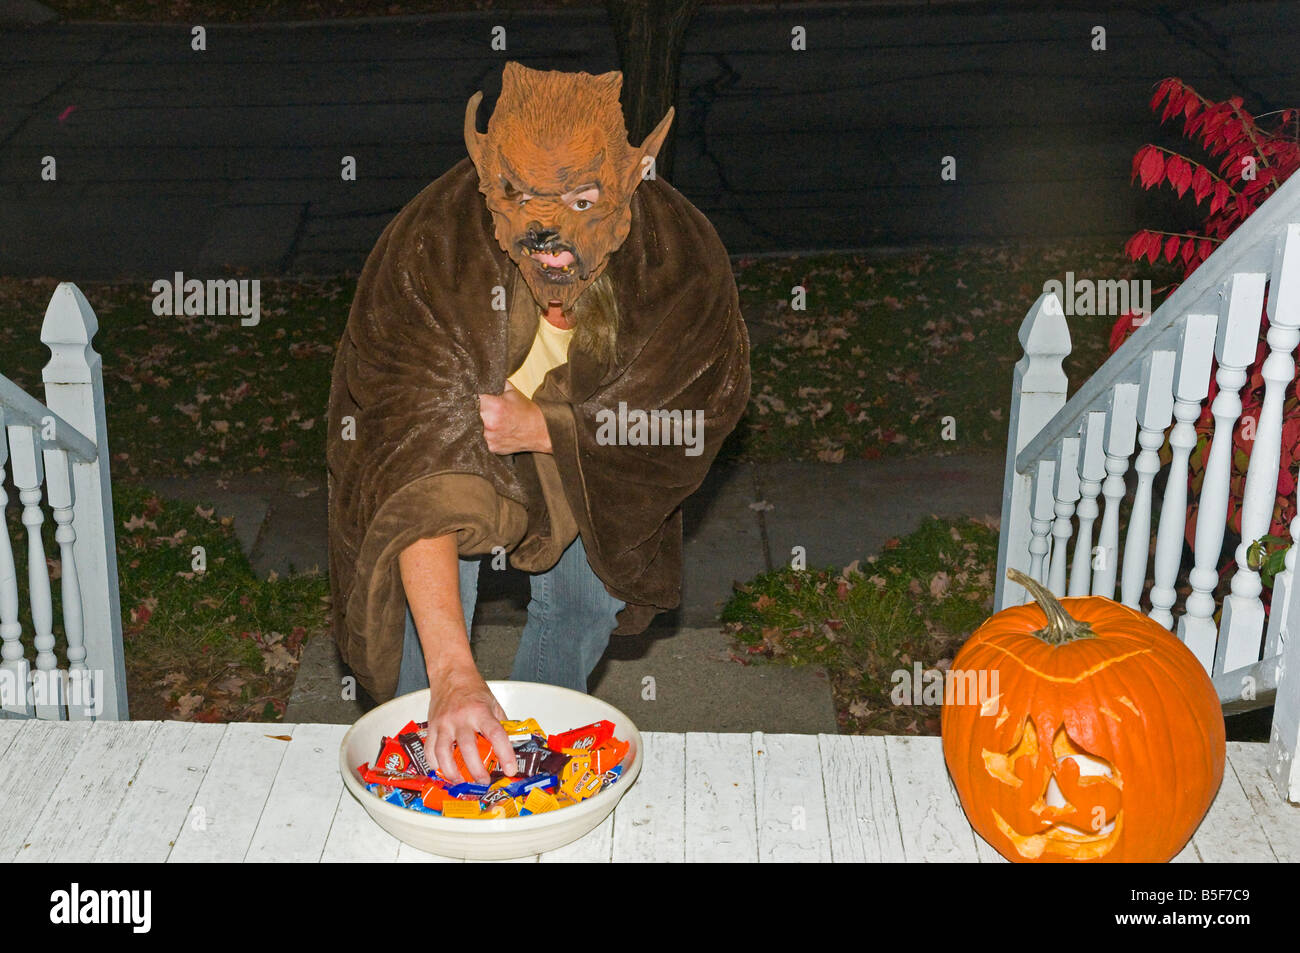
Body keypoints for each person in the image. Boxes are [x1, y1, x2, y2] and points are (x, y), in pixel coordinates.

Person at [327, 62, 750, 785]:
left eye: (583, 199)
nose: (552, 232)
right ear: (491, 183)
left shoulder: (677, 259)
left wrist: (553, 426)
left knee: (587, 601)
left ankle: (532, 758)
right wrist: (454, 673)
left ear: (627, 179)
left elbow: (696, 414)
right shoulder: (434, 247)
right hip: (447, 457)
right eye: (522, 198)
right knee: (417, 651)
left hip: (580, 461)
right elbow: (411, 459)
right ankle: (433, 764)